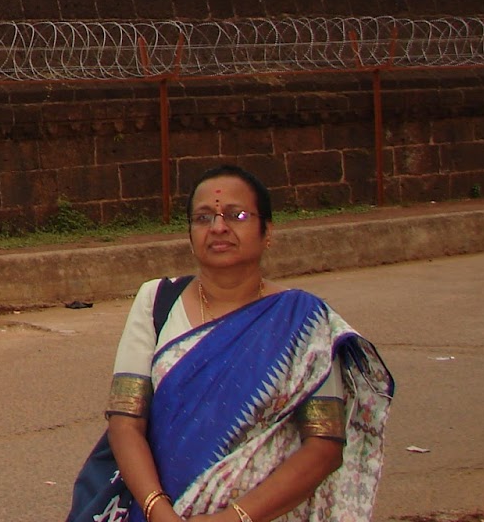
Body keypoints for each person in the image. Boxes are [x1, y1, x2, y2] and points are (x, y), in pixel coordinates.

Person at [103, 165, 393, 522]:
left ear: (267, 231)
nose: (218, 228)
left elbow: (324, 446)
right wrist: (158, 510)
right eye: (203, 217)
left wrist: (232, 518)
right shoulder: (157, 301)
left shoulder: (303, 321)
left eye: (236, 215)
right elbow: (125, 422)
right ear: (190, 234)